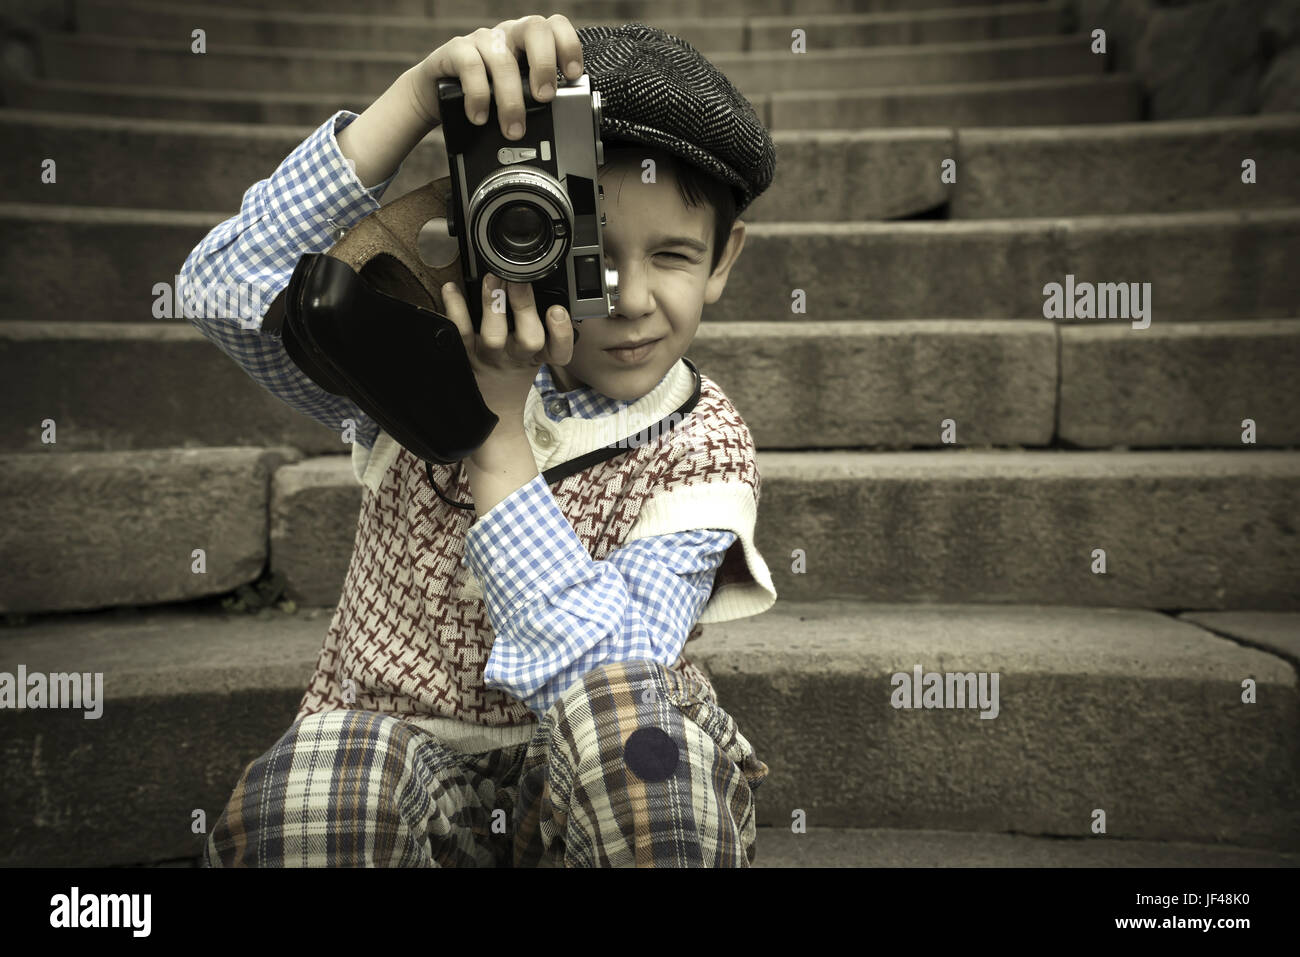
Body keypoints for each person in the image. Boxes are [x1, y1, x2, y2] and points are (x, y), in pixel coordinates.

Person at [184, 15, 779, 867]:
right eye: (594, 255)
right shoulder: (429, 359)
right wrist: (419, 97)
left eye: (675, 255)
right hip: (407, 771)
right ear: (507, 232)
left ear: (725, 259)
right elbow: (222, 287)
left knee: (653, 756)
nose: (636, 296)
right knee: (321, 785)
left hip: (594, 794)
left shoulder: (705, 442)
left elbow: (606, 676)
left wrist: (497, 441)